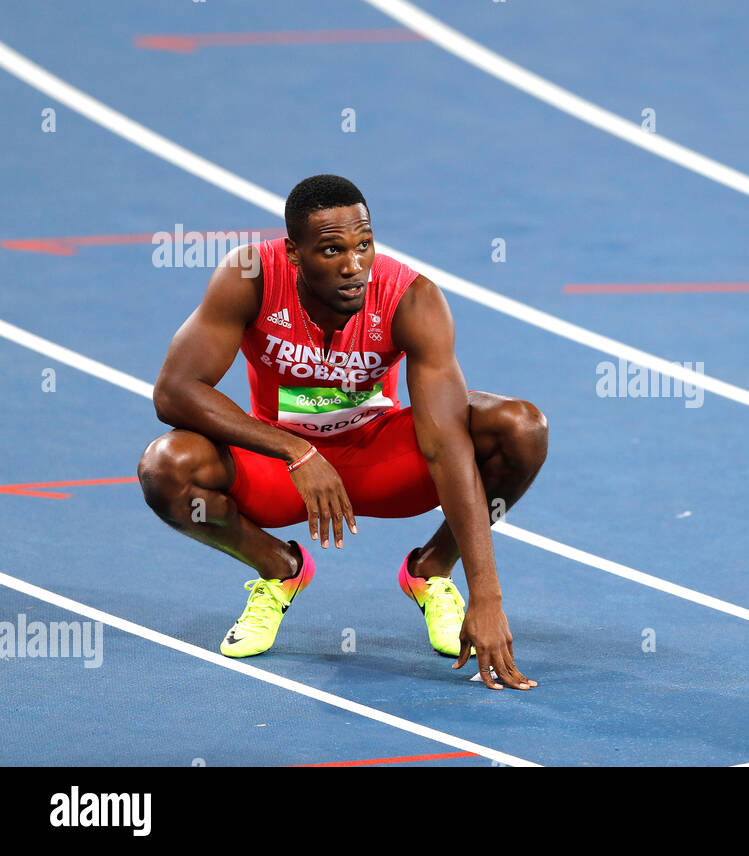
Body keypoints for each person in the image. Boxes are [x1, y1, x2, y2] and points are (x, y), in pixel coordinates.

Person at [137, 175, 544, 690]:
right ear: (293, 254)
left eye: (363, 245)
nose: (354, 266)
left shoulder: (413, 299)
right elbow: (173, 391)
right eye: (331, 250)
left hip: (381, 460)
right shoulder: (250, 277)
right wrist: (296, 450)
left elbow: (444, 445)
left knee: (521, 429)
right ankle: (279, 568)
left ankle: (432, 572)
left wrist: (487, 597)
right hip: (281, 470)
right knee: (165, 467)